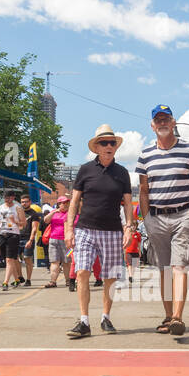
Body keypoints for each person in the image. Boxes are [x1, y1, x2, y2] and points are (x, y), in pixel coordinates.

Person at [136, 105, 189, 336]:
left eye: (166, 119)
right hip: (155, 218)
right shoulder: (145, 154)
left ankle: (177, 317)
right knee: (164, 270)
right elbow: (143, 191)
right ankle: (168, 316)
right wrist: (146, 219)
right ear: (152, 125)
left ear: (173, 123)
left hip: (182, 216)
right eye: (158, 120)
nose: (162, 123)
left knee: (179, 267)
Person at [66, 125, 133, 338]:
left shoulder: (122, 173)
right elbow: (74, 201)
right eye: (104, 143)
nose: (109, 146)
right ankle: (84, 321)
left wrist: (129, 228)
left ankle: (106, 317)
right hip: (85, 228)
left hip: (112, 231)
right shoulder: (85, 170)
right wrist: (69, 229)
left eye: (112, 143)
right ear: (96, 147)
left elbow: (128, 205)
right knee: (82, 271)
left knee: (110, 277)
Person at [44, 194, 72, 287]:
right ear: (59, 204)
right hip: (53, 240)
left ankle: (68, 281)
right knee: (54, 261)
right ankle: (53, 281)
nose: (65, 204)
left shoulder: (70, 213)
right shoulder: (54, 212)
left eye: (66, 202)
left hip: (66, 241)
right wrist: (54, 212)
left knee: (67, 262)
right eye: (63, 203)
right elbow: (46, 220)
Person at [21, 202, 42, 287]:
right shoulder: (18, 211)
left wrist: (31, 240)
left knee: (27, 259)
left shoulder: (34, 214)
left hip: (27, 238)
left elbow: (34, 228)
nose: (24, 203)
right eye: (22, 202)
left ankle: (28, 279)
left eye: (25, 202)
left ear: (29, 202)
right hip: (16, 237)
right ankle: (19, 278)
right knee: (14, 259)